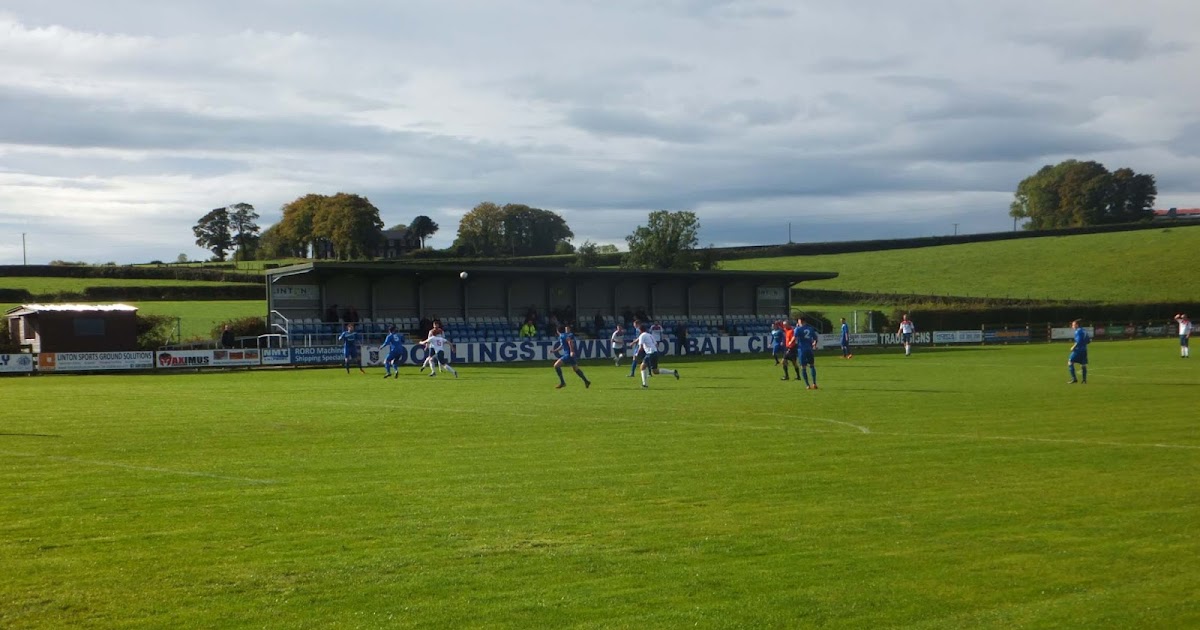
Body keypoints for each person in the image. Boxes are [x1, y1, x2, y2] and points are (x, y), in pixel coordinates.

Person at [635, 323, 679, 388]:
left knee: (642, 367)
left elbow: (640, 347)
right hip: (654, 352)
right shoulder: (650, 335)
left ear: (640, 330)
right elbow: (656, 344)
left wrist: (636, 354)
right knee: (655, 371)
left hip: (650, 353)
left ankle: (645, 384)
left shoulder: (642, 336)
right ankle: (673, 372)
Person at [552, 325, 591, 389]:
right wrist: (554, 351)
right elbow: (562, 346)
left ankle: (562, 382)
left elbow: (570, 341)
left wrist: (571, 351)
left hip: (568, 355)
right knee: (576, 369)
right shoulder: (563, 336)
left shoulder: (562, 336)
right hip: (571, 355)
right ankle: (586, 381)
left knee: (556, 365)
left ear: (557, 331)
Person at [795, 316, 820, 389]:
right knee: (812, 365)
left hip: (802, 350)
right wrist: (814, 344)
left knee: (803, 367)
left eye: (798, 321)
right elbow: (815, 339)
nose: (798, 322)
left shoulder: (798, 329)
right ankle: (814, 383)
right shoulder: (810, 329)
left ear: (801, 321)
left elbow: (795, 339)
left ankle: (807, 385)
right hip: (809, 349)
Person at [1067, 319, 1089, 384]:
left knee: (1070, 362)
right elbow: (1088, 341)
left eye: (1073, 325)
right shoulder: (1084, 330)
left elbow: (1078, 341)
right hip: (1084, 350)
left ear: (1077, 325)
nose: (1072, 326)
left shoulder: (1078, 331)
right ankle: (1084, 380)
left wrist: (1073, 347)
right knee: (1083, 364)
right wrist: (1083, 344)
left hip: (1078, 350)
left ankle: (1074, 379)